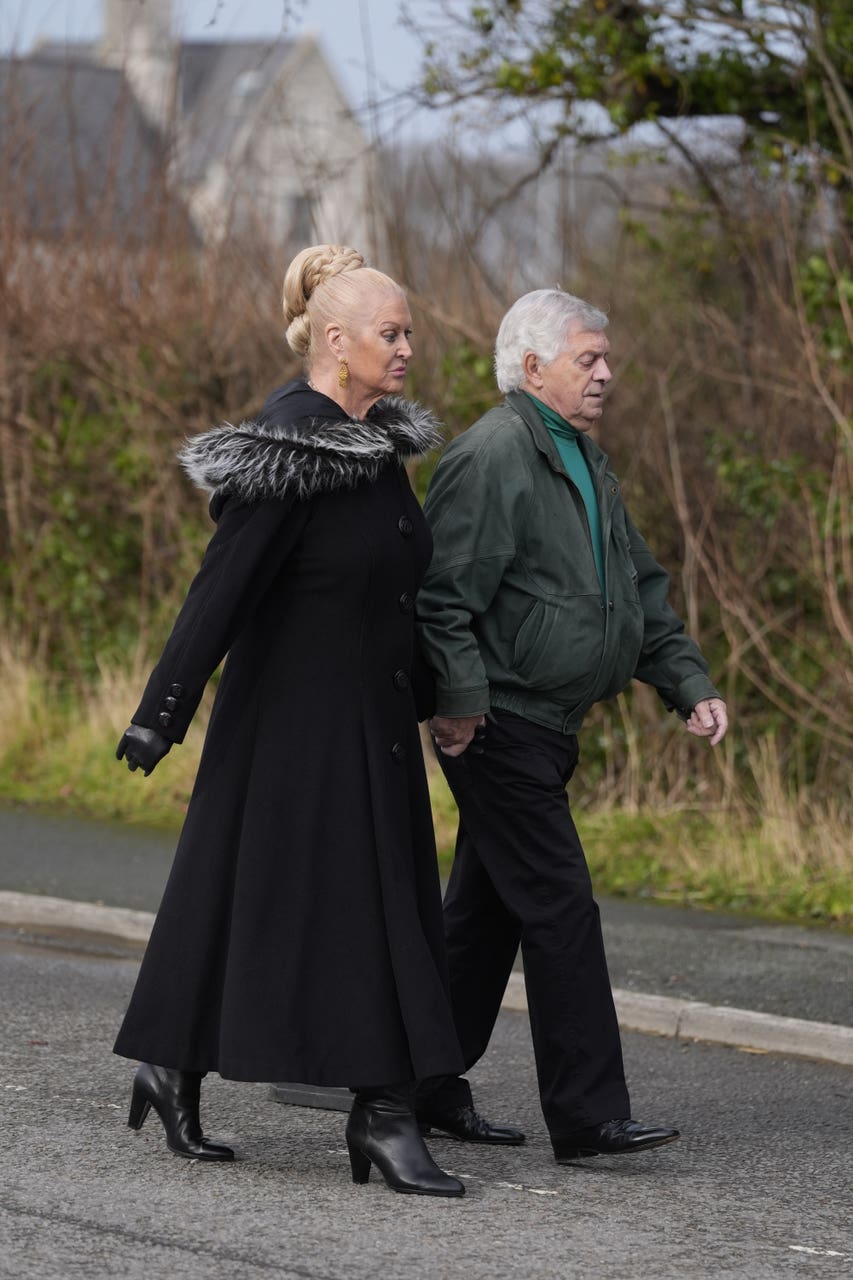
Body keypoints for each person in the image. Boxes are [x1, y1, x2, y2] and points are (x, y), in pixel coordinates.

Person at [113, 244, 475, 1198]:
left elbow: (397, 592)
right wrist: (163, 714)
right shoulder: (295, 448)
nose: (406, 351)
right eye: (390, 335)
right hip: (294, 728)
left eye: (409, 334)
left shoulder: (374, 444)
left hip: (373, 721)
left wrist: (441, 702)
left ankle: (170, 1061)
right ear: (334, 339)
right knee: (368, 910)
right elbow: (219, 591)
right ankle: (385, 1113)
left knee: (243, 894)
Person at [415, 288, 728, 1164]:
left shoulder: (584, 461)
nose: (606, 374)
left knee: (484, 916)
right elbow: (442, 601)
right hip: (498, 724)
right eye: (587, 359)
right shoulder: (492, 456)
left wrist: (683, 680)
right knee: (559, 905)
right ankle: (587, 1117)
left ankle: (415, 1083)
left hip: (549, 724)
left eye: (605, 358)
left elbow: (636, 589)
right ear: (531, 367)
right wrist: (463, 702)